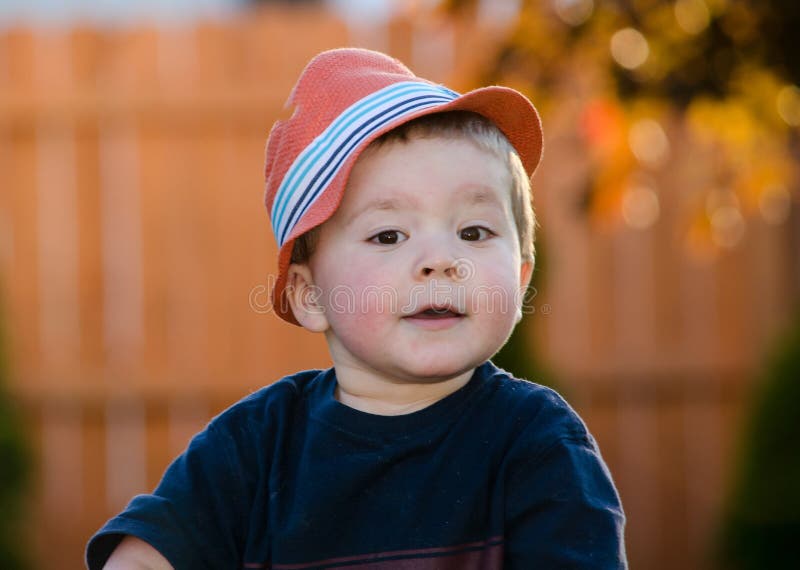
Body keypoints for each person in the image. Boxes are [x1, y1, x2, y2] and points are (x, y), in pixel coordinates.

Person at [86, 47, 627, 569]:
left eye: (474, 230)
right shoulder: (252, 448)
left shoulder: (536, 442)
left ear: (521, 275)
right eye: (389, 234)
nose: (440, 259)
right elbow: (143, 557)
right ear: (310, 295)